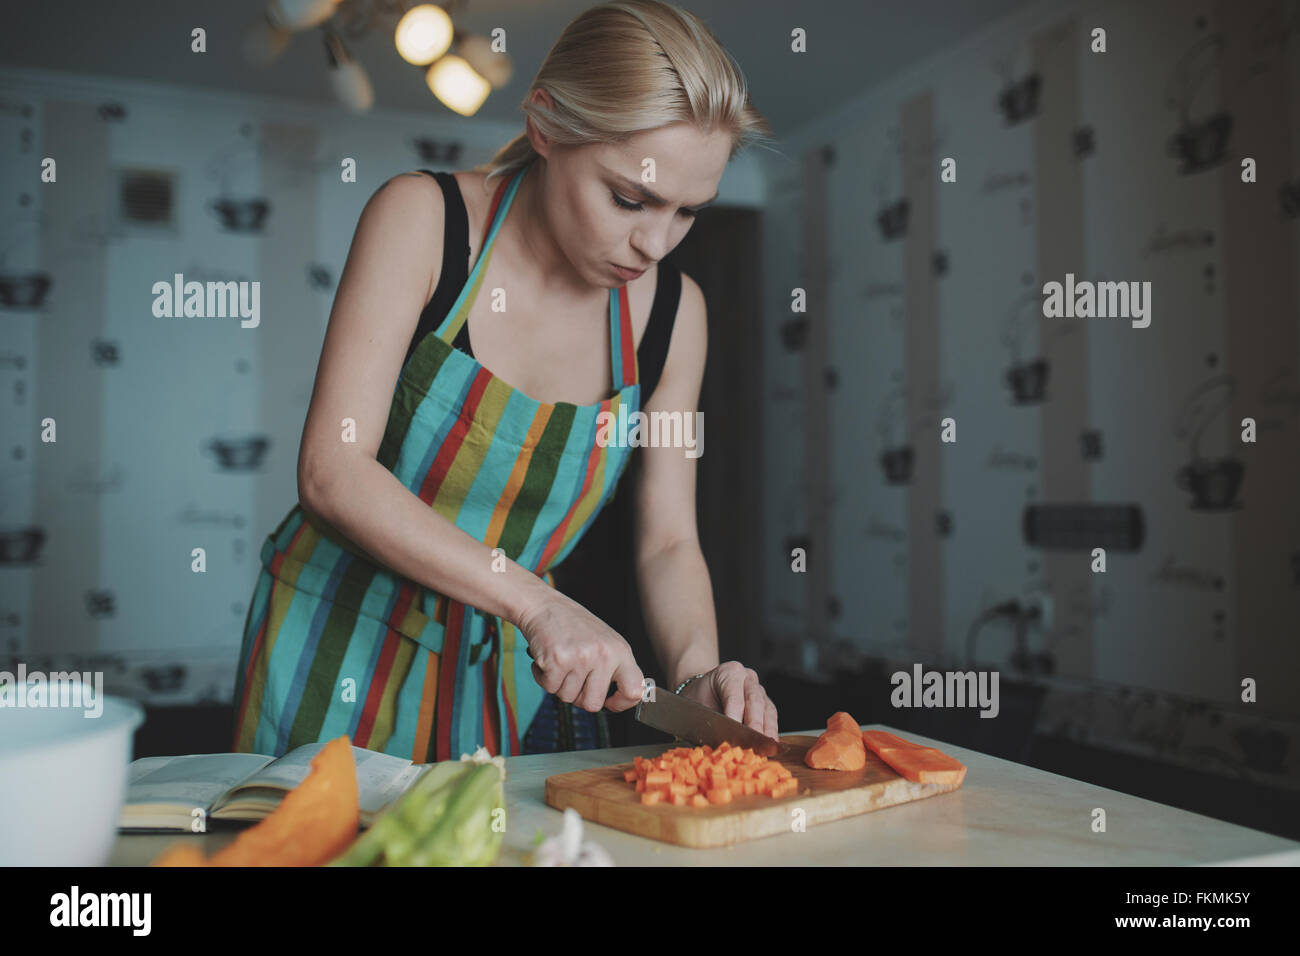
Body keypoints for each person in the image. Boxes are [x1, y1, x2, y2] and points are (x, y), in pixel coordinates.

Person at [231, 0, 778, 761]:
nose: (655, 242)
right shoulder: (423, 221)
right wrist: (538, 604)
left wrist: (697, 675)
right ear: (546, 126)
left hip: (505, 674)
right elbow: (332, 470)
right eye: (629, 198)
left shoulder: (676, 317)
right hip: (333, 640)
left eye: (689, 212)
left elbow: (669, 540)